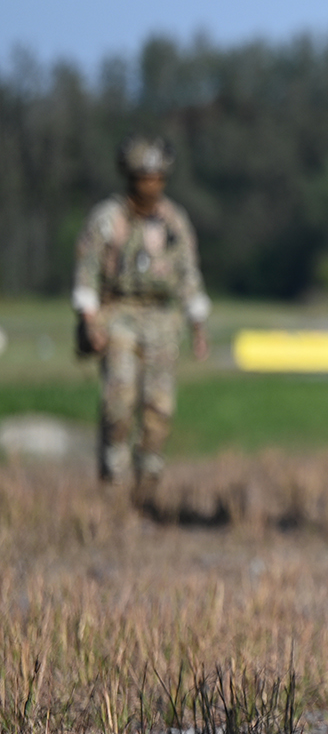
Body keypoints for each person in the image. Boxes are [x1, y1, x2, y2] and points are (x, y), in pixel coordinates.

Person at [72, 136, 210, 507]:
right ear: (131, 178)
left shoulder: (173, 221)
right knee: (120, 399)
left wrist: (198, 324)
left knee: (159, 405)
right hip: (118, 314)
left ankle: (147, 486)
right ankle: (113, 484)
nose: (152, 185)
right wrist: (88, 319)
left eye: (157, 178)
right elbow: (87, 272)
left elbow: (188, 273)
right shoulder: (108, 219)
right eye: (144, 177)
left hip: (163, 319)